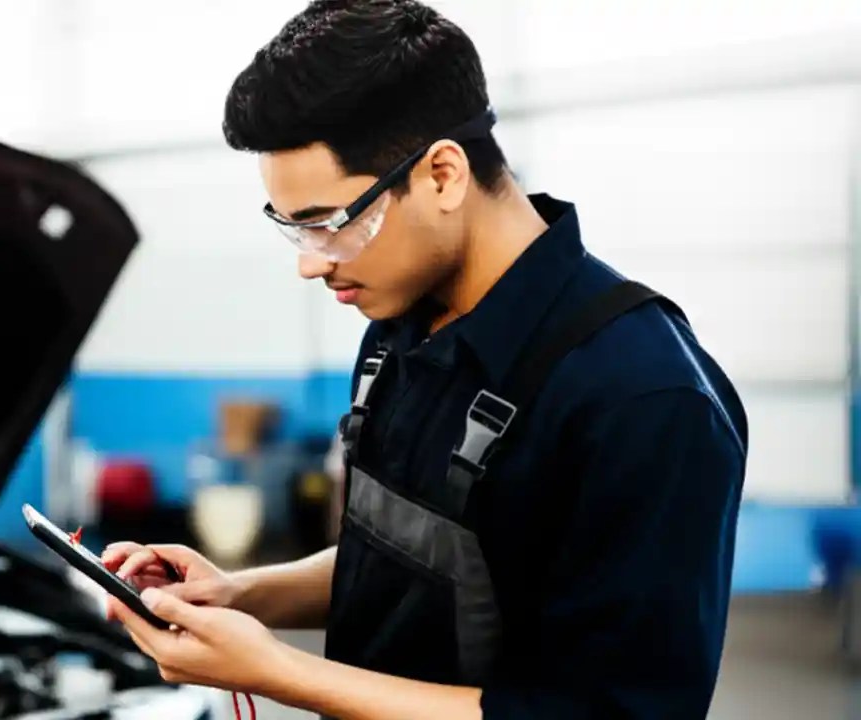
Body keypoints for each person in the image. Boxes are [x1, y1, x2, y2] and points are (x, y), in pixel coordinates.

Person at [101, 1, 748, 718]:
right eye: (293, 231)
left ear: (443, 174)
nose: (312, 267)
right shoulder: (397, 325)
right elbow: (409, 561)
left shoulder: (643, 400)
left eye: (328, 225)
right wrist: (240, 593)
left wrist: (278, 671)